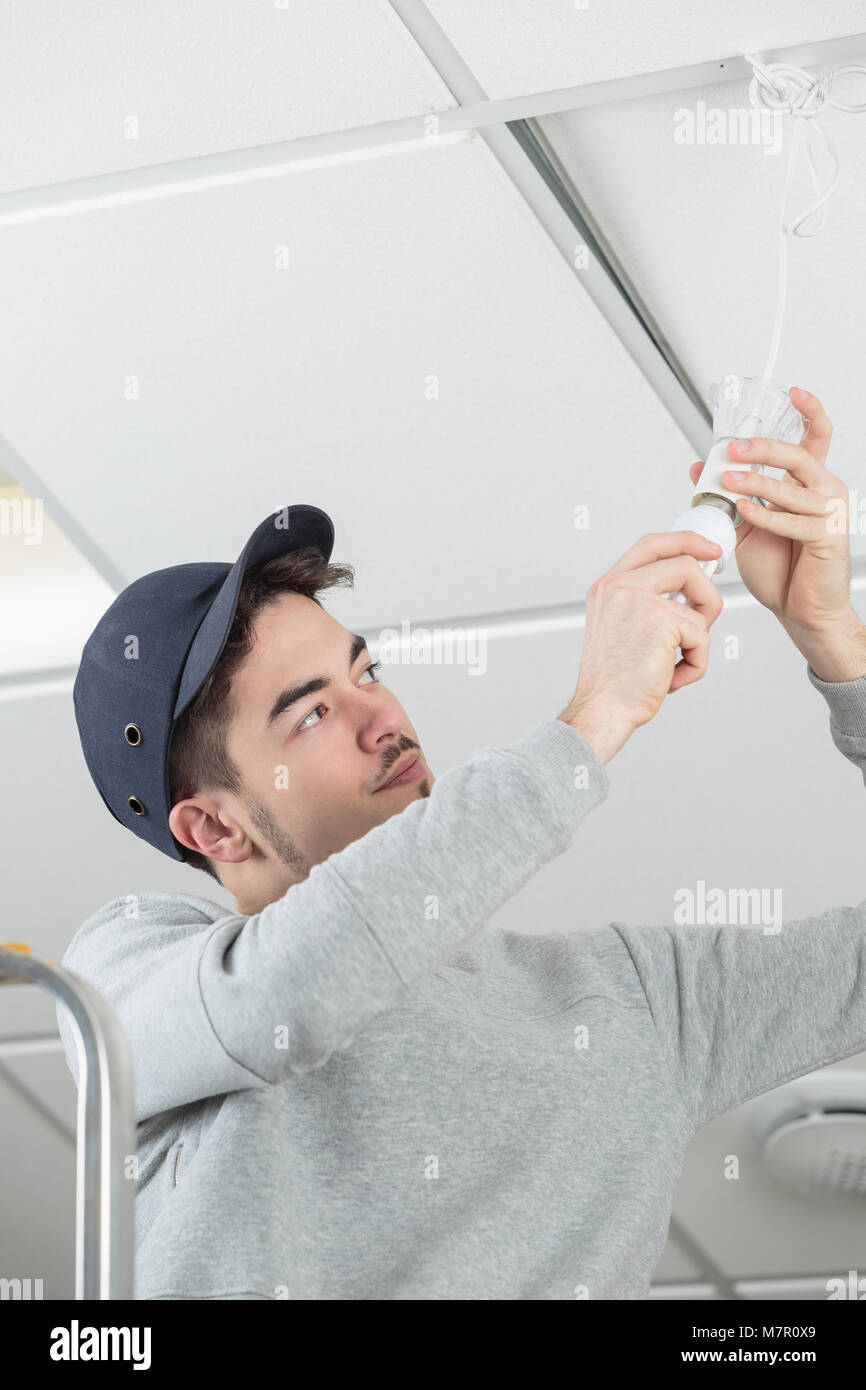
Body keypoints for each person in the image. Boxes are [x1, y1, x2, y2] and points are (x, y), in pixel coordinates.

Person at [58, 388, 866, 1299]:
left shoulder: (638, 1000)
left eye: (367, 671)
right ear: (213, 827)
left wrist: (837, 642)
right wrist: (592, 717)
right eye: (314, 711)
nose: (383, 719)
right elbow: (291, 990)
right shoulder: (132, 975)